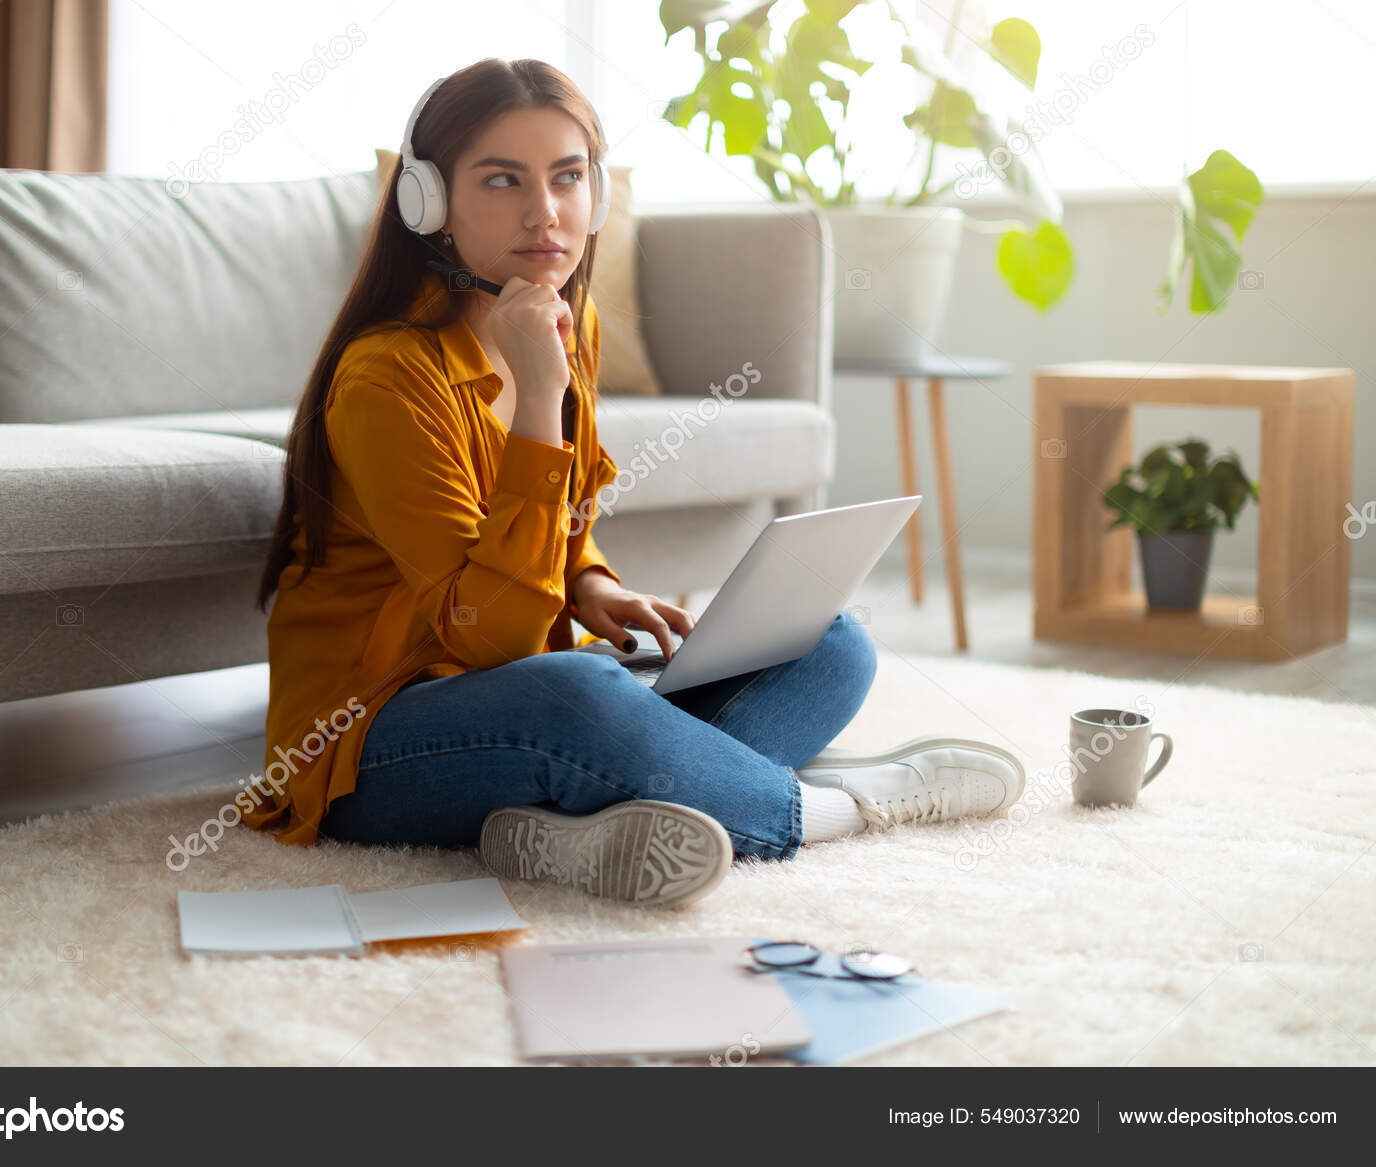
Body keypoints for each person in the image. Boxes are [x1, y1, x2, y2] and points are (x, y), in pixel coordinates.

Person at [242, 58, 1025, 907]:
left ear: (597, 196)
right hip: (370, 748)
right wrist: (541, 393)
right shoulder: (386, 379)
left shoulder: (559, 322)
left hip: (518, 695)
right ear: (427, 204)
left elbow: (559, 524)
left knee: (829, 640)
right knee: (578, 692)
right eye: (503, 180)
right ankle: (842, 806)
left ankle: (579, 823)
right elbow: (492, 640)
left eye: (568, 178)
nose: (545, 213)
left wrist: (589, 581)